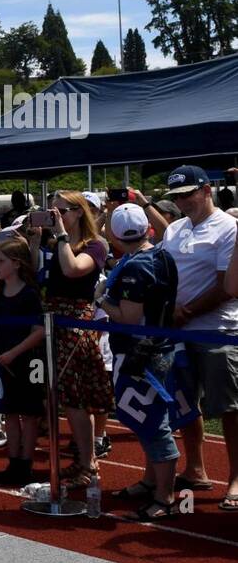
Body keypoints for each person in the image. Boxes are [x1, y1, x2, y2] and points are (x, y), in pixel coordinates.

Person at [148, 166, 238, 504]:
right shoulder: (174, 230)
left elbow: (226, 286)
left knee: (229, 409)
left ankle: (235, 478)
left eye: (188, 194)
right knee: (186, 403)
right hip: (179, 332)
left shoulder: (229, 228)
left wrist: (185, 312)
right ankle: (196, 469)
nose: (183, 201)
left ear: (206, 190)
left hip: (217, 331)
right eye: (176, 197)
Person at [101, 203, 182, 519]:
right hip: (158, 346)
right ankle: (152, 481)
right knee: (147, 420)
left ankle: (165, 496)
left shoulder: (136, 267)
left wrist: (102, 301)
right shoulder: (160, 254)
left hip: (142, 353)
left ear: (116, 235)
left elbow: (128, 317)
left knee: (151, 423)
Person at [28, 190, 114, 486]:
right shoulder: (57, 242)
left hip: (75, 324)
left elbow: (73, 269)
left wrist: (61, 234)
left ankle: (88, 465)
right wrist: (36, 241)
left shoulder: (96, 245)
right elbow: (35, 274)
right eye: (53, 212)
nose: (56, 217)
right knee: (68, 400)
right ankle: (83, 462)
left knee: (77, 400)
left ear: (79, 212)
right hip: (55, 321)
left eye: (61, 211)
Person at [0, 236, 46, 483]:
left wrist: (14, 353)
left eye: (1, 261)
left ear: (17, 263)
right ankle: (13, 462)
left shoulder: (30, 294)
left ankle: (26, 463)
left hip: (31, 360)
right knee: (9, 412)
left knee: (30, 414)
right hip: (3, 361)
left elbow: (39, 330)